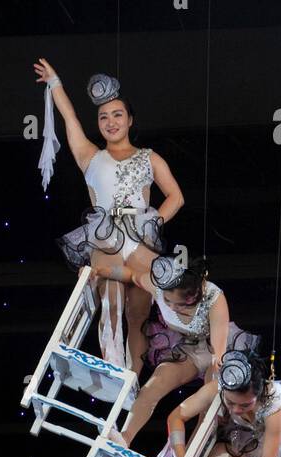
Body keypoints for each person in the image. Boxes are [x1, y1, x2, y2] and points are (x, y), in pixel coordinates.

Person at [33, 58, 184, 373]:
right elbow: (70, 117)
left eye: (117, 115)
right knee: (111, 303)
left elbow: (176, 197)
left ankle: (133, 379)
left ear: (129, 120)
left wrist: (152, 220)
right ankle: (115, 371)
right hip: (105, 237)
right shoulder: (90, 156)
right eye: (104, 117)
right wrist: (55, 82)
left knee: (139, 316)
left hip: (140, 239)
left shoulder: (149, 158)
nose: (111, 122)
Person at [92, 255, 259, 447]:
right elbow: (131, 275)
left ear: (194, 296)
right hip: (189, 347)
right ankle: (125, 437)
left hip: (218, 352)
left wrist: (215, 383)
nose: (171, 307)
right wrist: (98, 271)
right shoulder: (158, 286)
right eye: (167, 301)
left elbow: (218, 355)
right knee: (153, 386)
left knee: (207, 407)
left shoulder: (214, 298)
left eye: (179, 305)